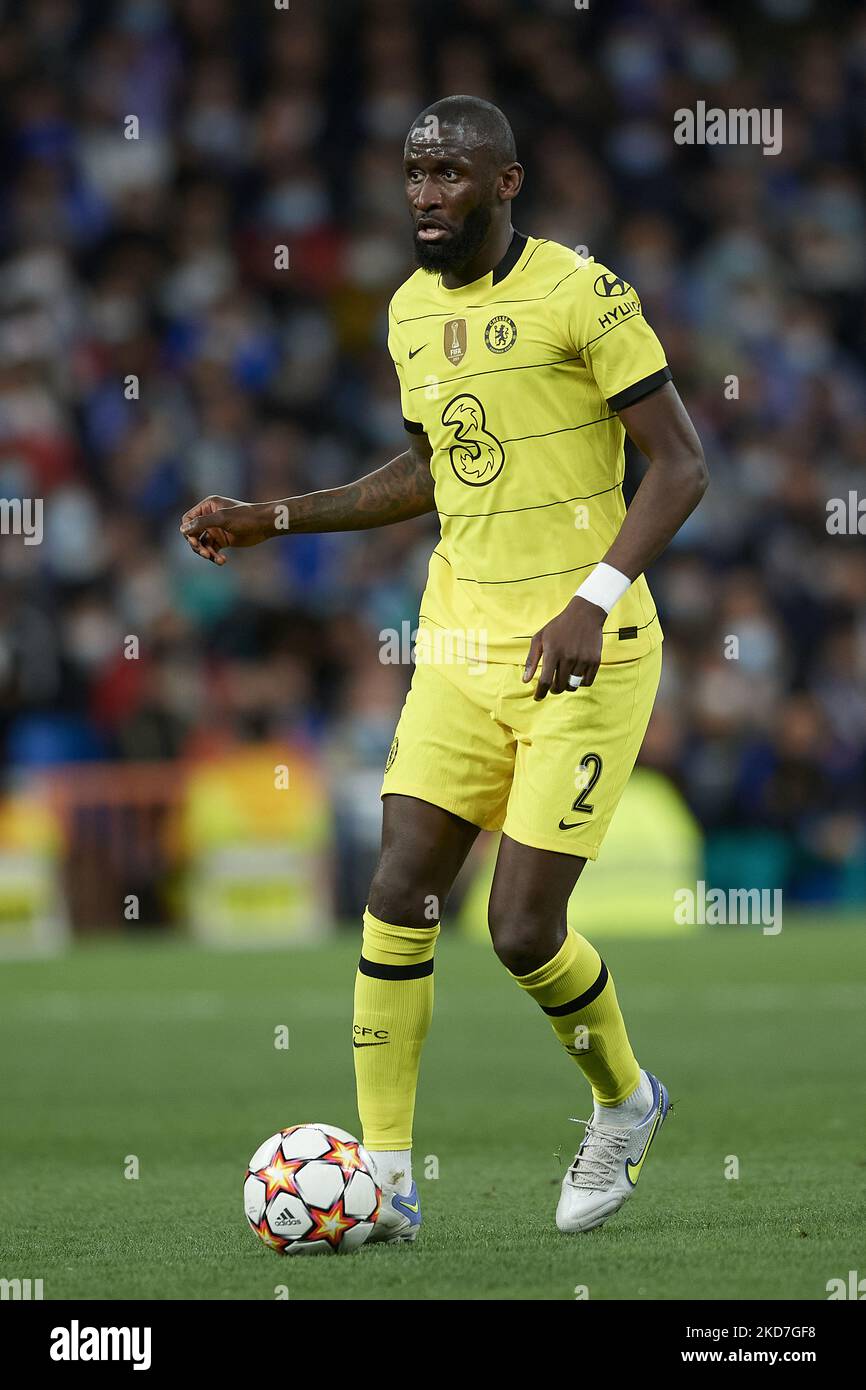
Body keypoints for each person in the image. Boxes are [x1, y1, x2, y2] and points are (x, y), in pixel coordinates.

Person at [181, 95, 708, 1241]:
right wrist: (275, 516)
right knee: (395, 895)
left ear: (505, 183)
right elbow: (428, 473)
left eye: (450, 174)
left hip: (587, 650)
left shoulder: (580, 291)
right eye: (413, 173)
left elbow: (679, 466)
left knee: (520, 928)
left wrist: (590, 598)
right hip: (460, 645)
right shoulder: (410, 313)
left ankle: (624, 1100)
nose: (425, 194)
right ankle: (387, 1182)